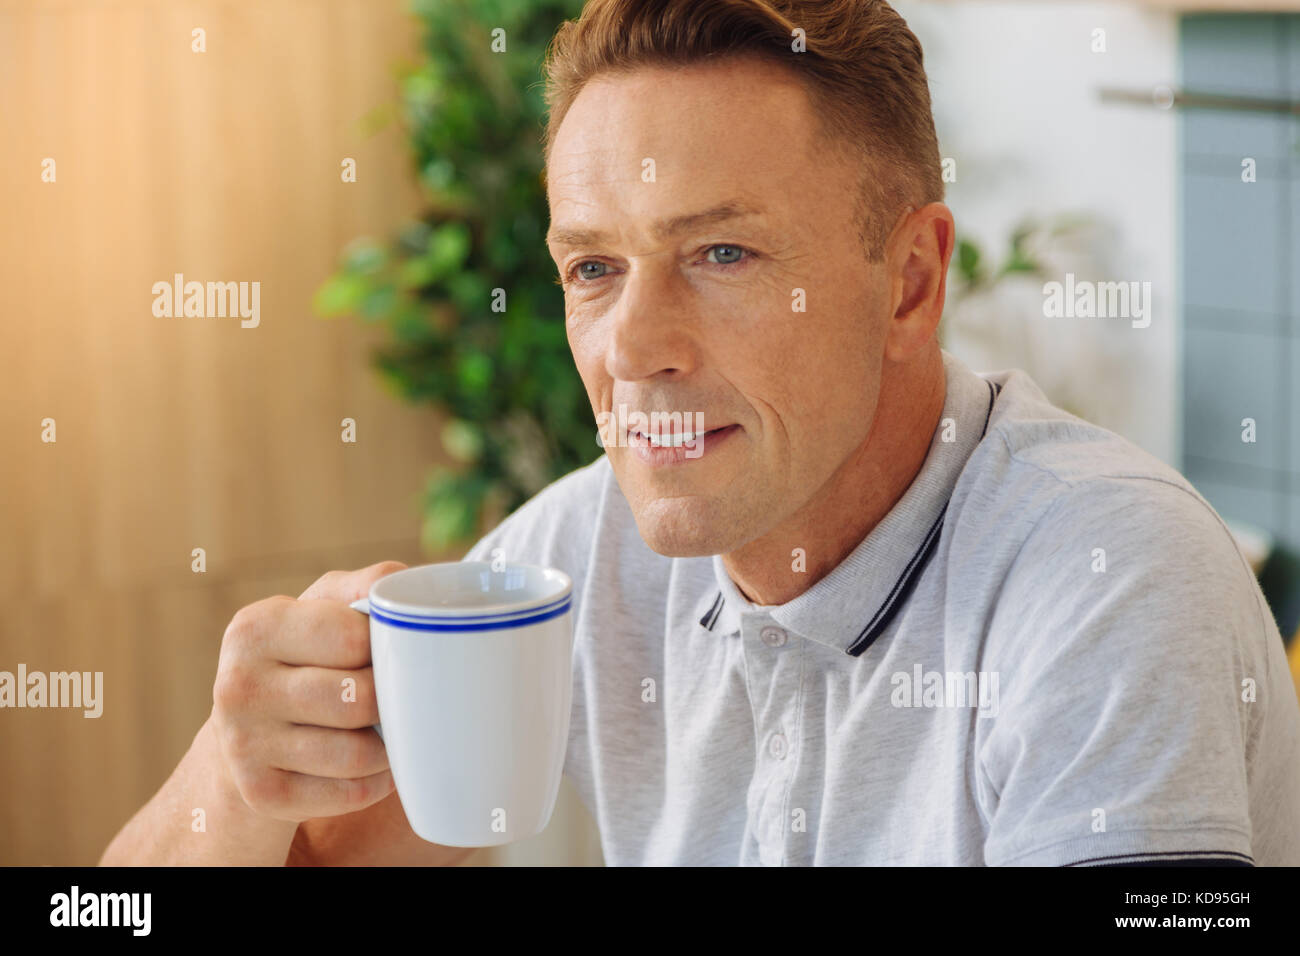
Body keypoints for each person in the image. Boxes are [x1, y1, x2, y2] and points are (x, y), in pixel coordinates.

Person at [101, 0, 1300, 866]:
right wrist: (233, 776)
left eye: (721, 253)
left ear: (909, 284)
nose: (631, 347)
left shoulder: (1108, 579)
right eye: (592, 267)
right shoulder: (580, 551)